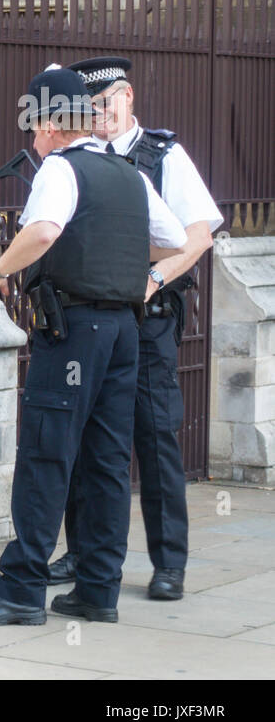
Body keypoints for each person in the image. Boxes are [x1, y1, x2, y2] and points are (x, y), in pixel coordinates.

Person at [0, 66, 187, 626]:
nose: (32, 140)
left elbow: (43, 231)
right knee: (107, 461)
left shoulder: (61, 168)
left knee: (45, 454)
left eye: (35, 128)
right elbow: (174, 240)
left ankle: (20, 592)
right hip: (125, 333)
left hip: (75, 332)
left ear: (55, 124)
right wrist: (117, 262)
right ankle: (97, 591)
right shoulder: (130, 174)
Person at [46, 57, 223, 601]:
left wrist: (150, 276)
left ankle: (169, 563)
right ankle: (83, 553)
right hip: (91, 322)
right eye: (89, 107)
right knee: (84, 437)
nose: (99, 115)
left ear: (127, 97)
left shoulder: (162, 155)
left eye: (107, 103)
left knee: (154, 439)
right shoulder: (77, 158)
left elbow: (197, 237)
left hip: (147, 321)